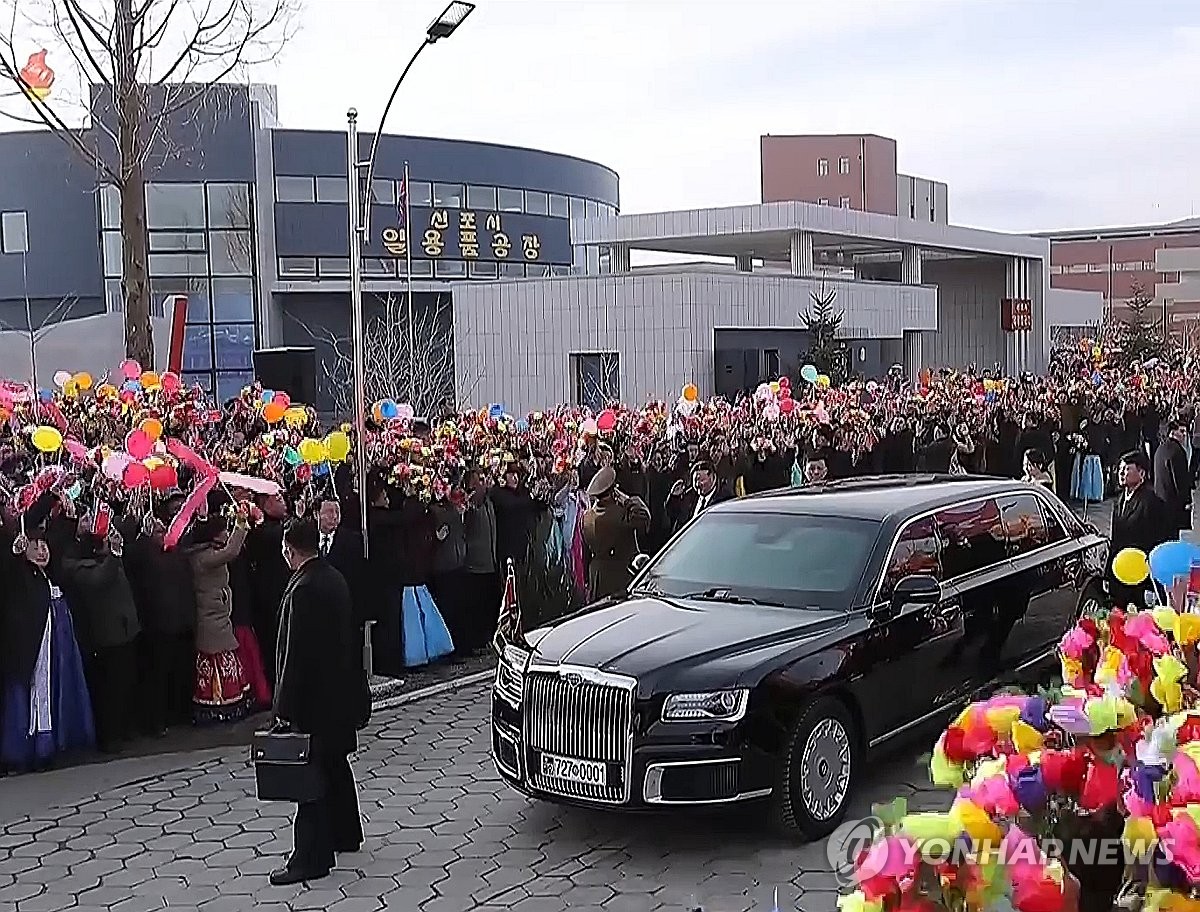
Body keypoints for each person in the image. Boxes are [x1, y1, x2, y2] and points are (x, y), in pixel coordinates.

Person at [270, 518, 370, 887]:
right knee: (335, 765)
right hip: (339, 693)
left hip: (315, 700)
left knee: (310, 780)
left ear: (290, 550)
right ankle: (345, 832)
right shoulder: (333, 578)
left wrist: (283, 707)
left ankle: (310, 857)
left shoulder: (304, 589)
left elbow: (294, 655)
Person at [186, 503, 253, 723]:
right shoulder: (203, 557)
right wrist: (241, 523)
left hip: (220, 615)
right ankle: (217, 706)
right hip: (210, 618)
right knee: (216, 662)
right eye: (224, 530)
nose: (227, 533)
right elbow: (231, 551)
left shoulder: (209, 552)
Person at [1109, 450, 1170, 608]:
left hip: (1141, 576)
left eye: (1127, 469)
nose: (1121, 473)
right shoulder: (1120, 500)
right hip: (1121, 573)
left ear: (1141, 473)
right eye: (1120, 469)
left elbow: (1159, 541)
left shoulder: (1151, 502)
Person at [581, 466, 651, 600]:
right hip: (619, 577)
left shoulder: (586, 517)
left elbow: (585, 553)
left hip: (596, 577)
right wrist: (628, 500)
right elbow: (644, 516)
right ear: (614, 491)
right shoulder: (620, 514)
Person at [664, 461, 733, 535]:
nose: (697, 484)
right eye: (695, 481)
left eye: (702, 480)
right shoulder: (688, 497)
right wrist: (674, 496)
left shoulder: (725, 500)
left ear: (713, 478)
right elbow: (672, 514)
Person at [1154, 418, 1192, 534]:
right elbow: (1181, 480)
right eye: (1181, 431)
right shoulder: (1177, 451)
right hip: (1173, 503)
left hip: (1160, 499)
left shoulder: (1160, 448)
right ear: (1173, 432)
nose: (1184, 435)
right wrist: (1186, 501)